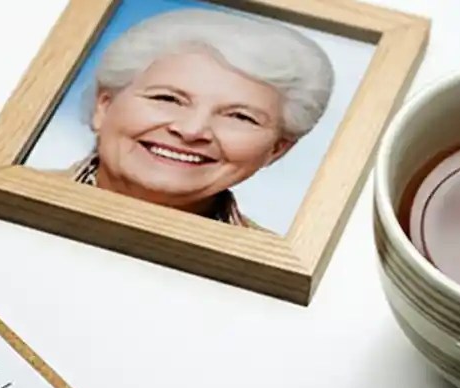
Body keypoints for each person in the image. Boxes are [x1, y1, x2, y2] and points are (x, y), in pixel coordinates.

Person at [63, 7, 335, 233]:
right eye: (168, 99)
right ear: (104, 106)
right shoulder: (33, 189)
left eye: (240, 116)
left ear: (277, 149)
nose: (191, 130)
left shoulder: (275, 265)